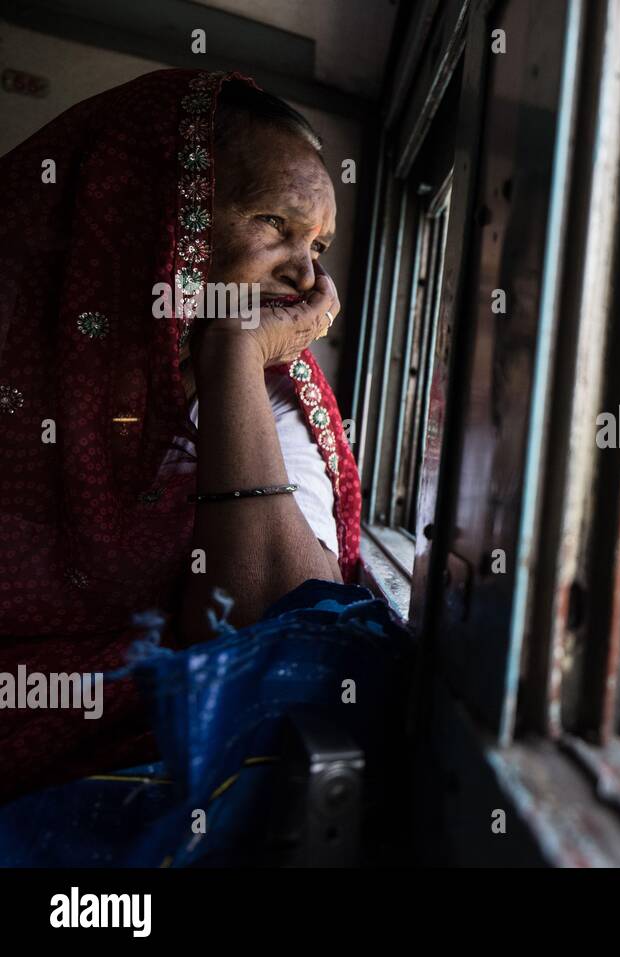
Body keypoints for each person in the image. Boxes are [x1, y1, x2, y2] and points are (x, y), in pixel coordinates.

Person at [0, 69, 363, 802]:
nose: (306, 275)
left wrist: (233, 354)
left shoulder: (272, 392)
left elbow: (279, 636)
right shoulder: (17, 337)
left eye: (319, 245)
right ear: (152, 211)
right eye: (275, 223)